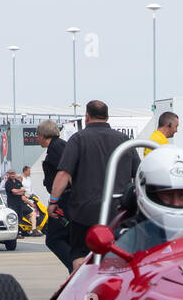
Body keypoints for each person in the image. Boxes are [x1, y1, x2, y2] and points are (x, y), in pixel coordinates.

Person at [51, 100, 138, 270]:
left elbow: (63, 173)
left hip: (85, 212)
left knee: (80, 255)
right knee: (117, 255)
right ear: (107, 117)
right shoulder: (124, 140)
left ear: (87, 116)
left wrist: (53, 201)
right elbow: (140, 174)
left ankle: (82, 292)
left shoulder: (78, 139)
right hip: (117, 213)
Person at [114, 145, 183, 253]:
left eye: (182, 195)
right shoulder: (130, 237)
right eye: (168, 195)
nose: (176, 203)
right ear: (149, 192)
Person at [37, 120, 71, 268]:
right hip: (68, 198)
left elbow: (64, 173)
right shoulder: (61, 146)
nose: (37, 138)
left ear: (44, 135)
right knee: (69, 238)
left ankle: (75, 268)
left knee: (53, 239)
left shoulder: (57, 149)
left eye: (37, 135)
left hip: (64, 199)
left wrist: (54, 201)